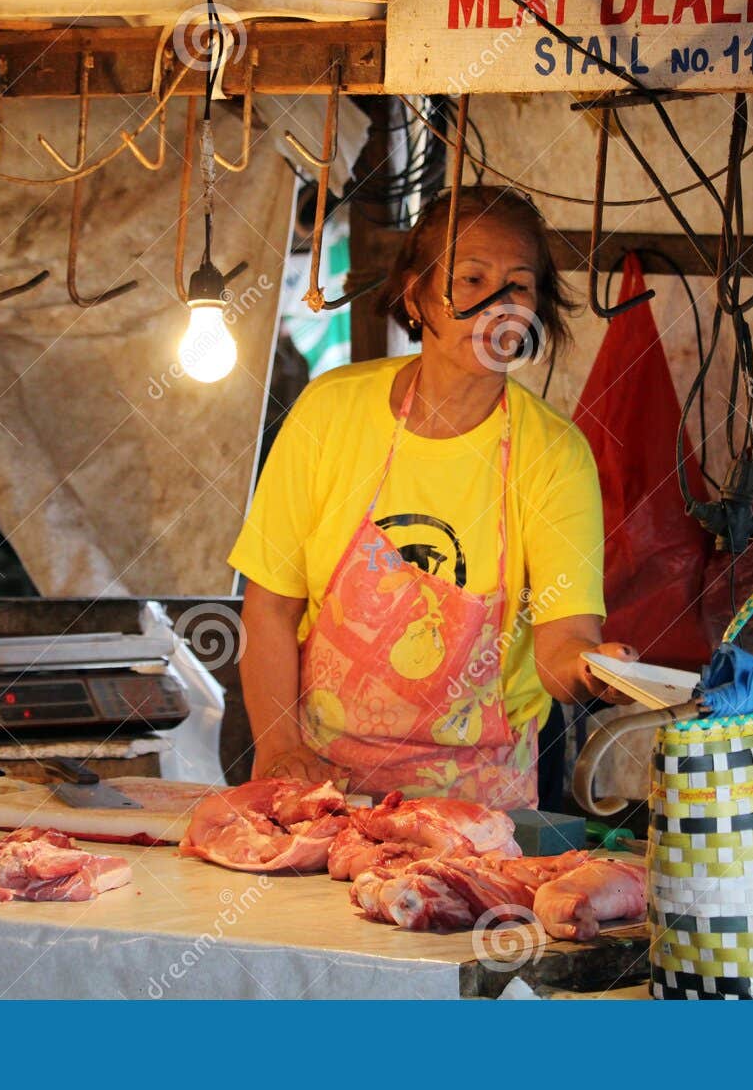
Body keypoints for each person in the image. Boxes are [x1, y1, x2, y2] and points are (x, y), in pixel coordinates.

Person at [229, 186, 637, 810]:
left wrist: (595, 670)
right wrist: (280, 746)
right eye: (472, 280)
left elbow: (562, 641)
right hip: (320, 782)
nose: (497, 306)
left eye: (519, 286)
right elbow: (270, 609)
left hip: (479, 803)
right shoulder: (330, 412)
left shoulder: (556, 453)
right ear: (417, 296)